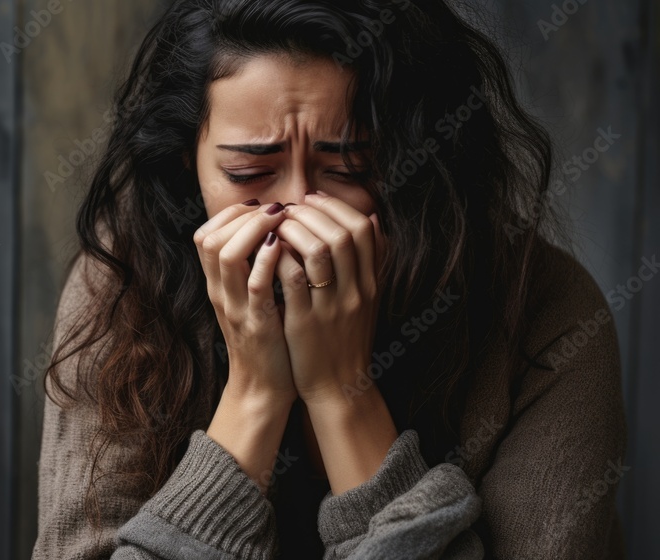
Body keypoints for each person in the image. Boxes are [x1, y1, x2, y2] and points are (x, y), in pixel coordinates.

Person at [32, 0, 627, 558]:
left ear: (418, 165)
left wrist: (344, 392)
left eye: (348, 169)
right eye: (248, 172)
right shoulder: (123, 284)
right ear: (188, 161)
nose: (295, 210)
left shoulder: (547, 316)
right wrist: (254, 396)